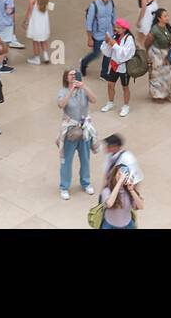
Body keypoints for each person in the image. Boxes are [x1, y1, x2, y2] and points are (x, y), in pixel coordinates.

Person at [56, 69, 96, 200]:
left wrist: (84, 86)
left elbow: (94, 100)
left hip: (84, 128)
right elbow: (61, 105)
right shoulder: (63, 91)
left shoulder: (83, 90)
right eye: (71, 75)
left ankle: (86, 182)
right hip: (70, 130)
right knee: (66, 159)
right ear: (66, 78)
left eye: (75, 74)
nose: (73, 76)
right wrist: (71, 90)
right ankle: (64, 187)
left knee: (85, 158)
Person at [99, 18, 137, 117]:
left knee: (125, 87)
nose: (116, 29)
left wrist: (114, 45)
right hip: (115, 65)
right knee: (110, 85)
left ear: (124, 29)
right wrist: (107, 43)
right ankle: (110, 102)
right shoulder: (115, 36)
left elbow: (125, 54)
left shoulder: (129, 39)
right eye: (115, 27)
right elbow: (108, 52)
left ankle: (126, 106)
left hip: (124, 67)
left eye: (118, 28)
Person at [81, 0, 116, 78]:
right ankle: (84, 62)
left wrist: (115, 28)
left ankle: (104, 73)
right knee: (96, 54)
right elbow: (89, 24)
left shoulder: (111, 3)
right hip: (98, 35)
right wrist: (89, 38)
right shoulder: (94, 6)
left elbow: (113, 17)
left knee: (108, 54)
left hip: (109, 34)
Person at [98, 162, 142, 230]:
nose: (122, 176)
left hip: (128, 226)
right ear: (114, 175)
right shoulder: (106, 191)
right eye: (119, 174)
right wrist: (119, 182)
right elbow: (109, 204)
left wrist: (132, 190)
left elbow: (140, 206)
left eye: (125, 174)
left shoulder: (128, 191)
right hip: (110, 226)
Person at [146, 8, 171, 102]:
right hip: (157, 54)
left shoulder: (168, 26)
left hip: (168, 53)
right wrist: (148, 55)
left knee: (169, 75)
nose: (167, 18)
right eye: (165, 16)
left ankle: (167, 94)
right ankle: (157, 96)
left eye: (167, 15)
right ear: (159, 18)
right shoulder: (154, 30)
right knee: (157, 76)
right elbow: (147, 43)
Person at [24, 0, 53, 66]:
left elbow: (30, 9)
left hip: (36, 21)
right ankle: (46, 56)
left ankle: (36, 58)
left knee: (35, 40)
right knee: (43, 39)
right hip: (44, 21)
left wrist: (26, 19)